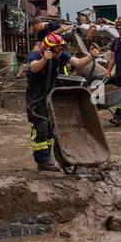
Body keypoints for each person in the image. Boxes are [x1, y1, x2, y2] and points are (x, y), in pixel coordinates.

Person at [25, 31, 99, 170]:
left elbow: (78, 63)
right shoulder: (36, 55)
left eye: (60, 48)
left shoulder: (60, 55)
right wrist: (45, 60)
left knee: (49, 130)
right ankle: (42, 161)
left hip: (50, 97)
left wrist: (91, 56)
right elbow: (34, 68)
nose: (59, 51)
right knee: (40, 127)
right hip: (36, 99)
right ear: (47, 48)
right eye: (56, 49)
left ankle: (47, 159)